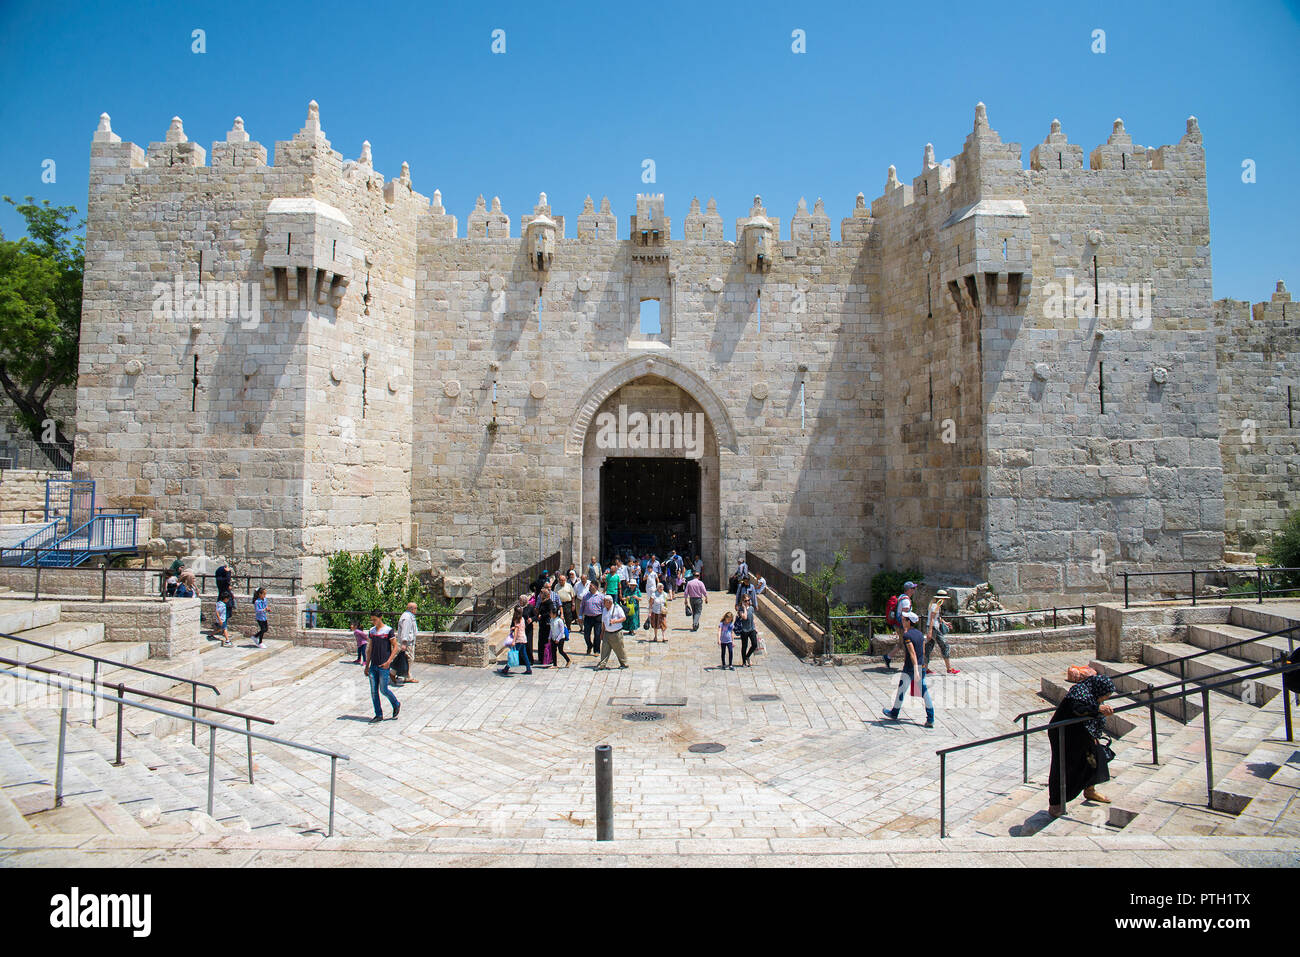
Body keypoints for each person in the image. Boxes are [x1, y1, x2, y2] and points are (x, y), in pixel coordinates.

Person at [1047, 674, 1116, 816]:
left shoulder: (1090, 692)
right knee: (1064, 767)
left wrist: (1093, 734)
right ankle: (1055, 805)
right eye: (1105, 696)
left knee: (1096, 757)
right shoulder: (1079, 693)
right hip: (1064, 733)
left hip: (1081, 732)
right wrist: (1098, 709)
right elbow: (1078, 709)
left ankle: (1090, 790)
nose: (1105, 699)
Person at [881, 611, 935, 728]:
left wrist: (915, 670)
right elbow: (923, 651)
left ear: (909, 622)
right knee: (923, 692)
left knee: (902, 690)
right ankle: (930, 718)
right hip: (922, 666)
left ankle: (894, 713)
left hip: (911, 668)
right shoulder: (920, 634)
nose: (903, 621)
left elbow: (912, 654)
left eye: (904, 620)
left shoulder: (907, 636)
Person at [364, 610, 400, 721]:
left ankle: (396, 703)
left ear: (380, 618)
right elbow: (369, 648)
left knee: (383, 689)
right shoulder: (372, 631)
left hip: (384, 665)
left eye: (375, 619)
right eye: (372, 619)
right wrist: (367, 664)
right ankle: (378, 714)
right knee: (374, 691)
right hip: (373, 665)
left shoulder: (388, 630)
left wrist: (389, 661)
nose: (373, 621)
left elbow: (395, 647)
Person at [883, 581, 918, 670]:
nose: (914, 590)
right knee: (907, 645)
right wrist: (906, 629)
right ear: (909, 590)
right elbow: (905, 616)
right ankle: (907, 666)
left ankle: (888, 657)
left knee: (901, 644)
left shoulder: (901, 597)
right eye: (913, 588)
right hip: (902, 626)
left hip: (898, 624)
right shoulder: (906, 601)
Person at [924, 591, 960, 675]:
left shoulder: (934, 605)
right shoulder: (935, 606)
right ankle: (949, 668)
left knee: (928, 648)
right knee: (945, 646)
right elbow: (932, 619)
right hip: (933, 628)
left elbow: (937, 617)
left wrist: (945, 623)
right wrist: (929, 632)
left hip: (932, 627)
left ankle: (925, 668)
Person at [595, 594, 628, 670]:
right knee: (604, 649)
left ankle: (624, 663)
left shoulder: (617, 608)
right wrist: (602, 633)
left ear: (609, 602)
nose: (603, 603)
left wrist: (615, 621)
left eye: (605, 601)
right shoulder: (604, 610)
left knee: (619, 649)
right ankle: (602, 664)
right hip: (607, 633)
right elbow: (603, 622)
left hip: (616, 633)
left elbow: (623, 618)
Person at [393, 601, 418, 684]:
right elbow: (405, 630)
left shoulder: (409, 616)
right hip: (407, 642)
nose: (416, 610)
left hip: (408, 641)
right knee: (409, 658)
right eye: (415, 608)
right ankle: (395, 673)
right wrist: (404, 642)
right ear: (411, 609)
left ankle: (406, 675)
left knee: (405, 658)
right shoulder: (407, 617)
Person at [580, 584, 605, 655]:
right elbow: (582, 606)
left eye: (591, 585)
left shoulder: (601, 596)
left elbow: (603, 608)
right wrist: (580, 616)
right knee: (586, 634)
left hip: (598, 617)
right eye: (589, 586)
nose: (590, 587)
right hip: (588, 617)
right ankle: (589, 645)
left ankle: (596, 650)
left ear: (596, 587)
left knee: (597, 634)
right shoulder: (586, 596)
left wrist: (604, 618)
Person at [735, 594, 759, 666]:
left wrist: (756, 627)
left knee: (754, 644)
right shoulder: (740, 610)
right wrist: (744, 608)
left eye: (748, 600)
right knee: (744, 646)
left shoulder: (751, 608)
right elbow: (744, 617)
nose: (747, 602)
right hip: (744, 630)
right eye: (746, 601)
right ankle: (744, 662)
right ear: (743, 601)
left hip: (751, 629)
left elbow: (752, 618)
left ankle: (747, 656)